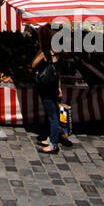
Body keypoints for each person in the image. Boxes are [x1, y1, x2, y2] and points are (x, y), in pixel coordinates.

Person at [29, 24, 63, 154]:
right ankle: (51, 138)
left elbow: (33, 65)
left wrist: (40, 51)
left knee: (53, 116)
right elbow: (57, 73)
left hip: (46, 87)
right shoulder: (58, 54)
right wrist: (59, 88)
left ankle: (53, 144)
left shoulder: (45, 53)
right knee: (53, 112)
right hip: (53, 87)